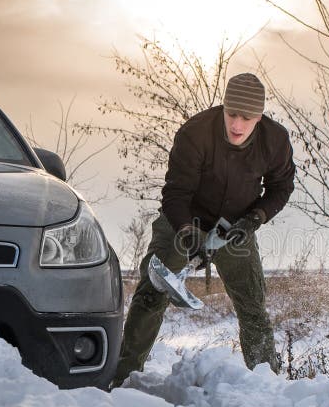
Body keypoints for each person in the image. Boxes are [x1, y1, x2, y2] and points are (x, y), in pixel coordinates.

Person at [112, 72, 295, 388]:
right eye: (231, 114)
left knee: (253, 306)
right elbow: (175, 193)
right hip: (184, 218)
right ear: (223, 107)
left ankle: (269, 388)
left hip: (235, 227)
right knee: (151, 294)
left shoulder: (275, 141)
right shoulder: (195, 133)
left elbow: (282, 186)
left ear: (259, 116)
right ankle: (122, 378)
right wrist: (187, 232)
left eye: (247, 118)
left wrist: (256, 218)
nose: (237, 124)